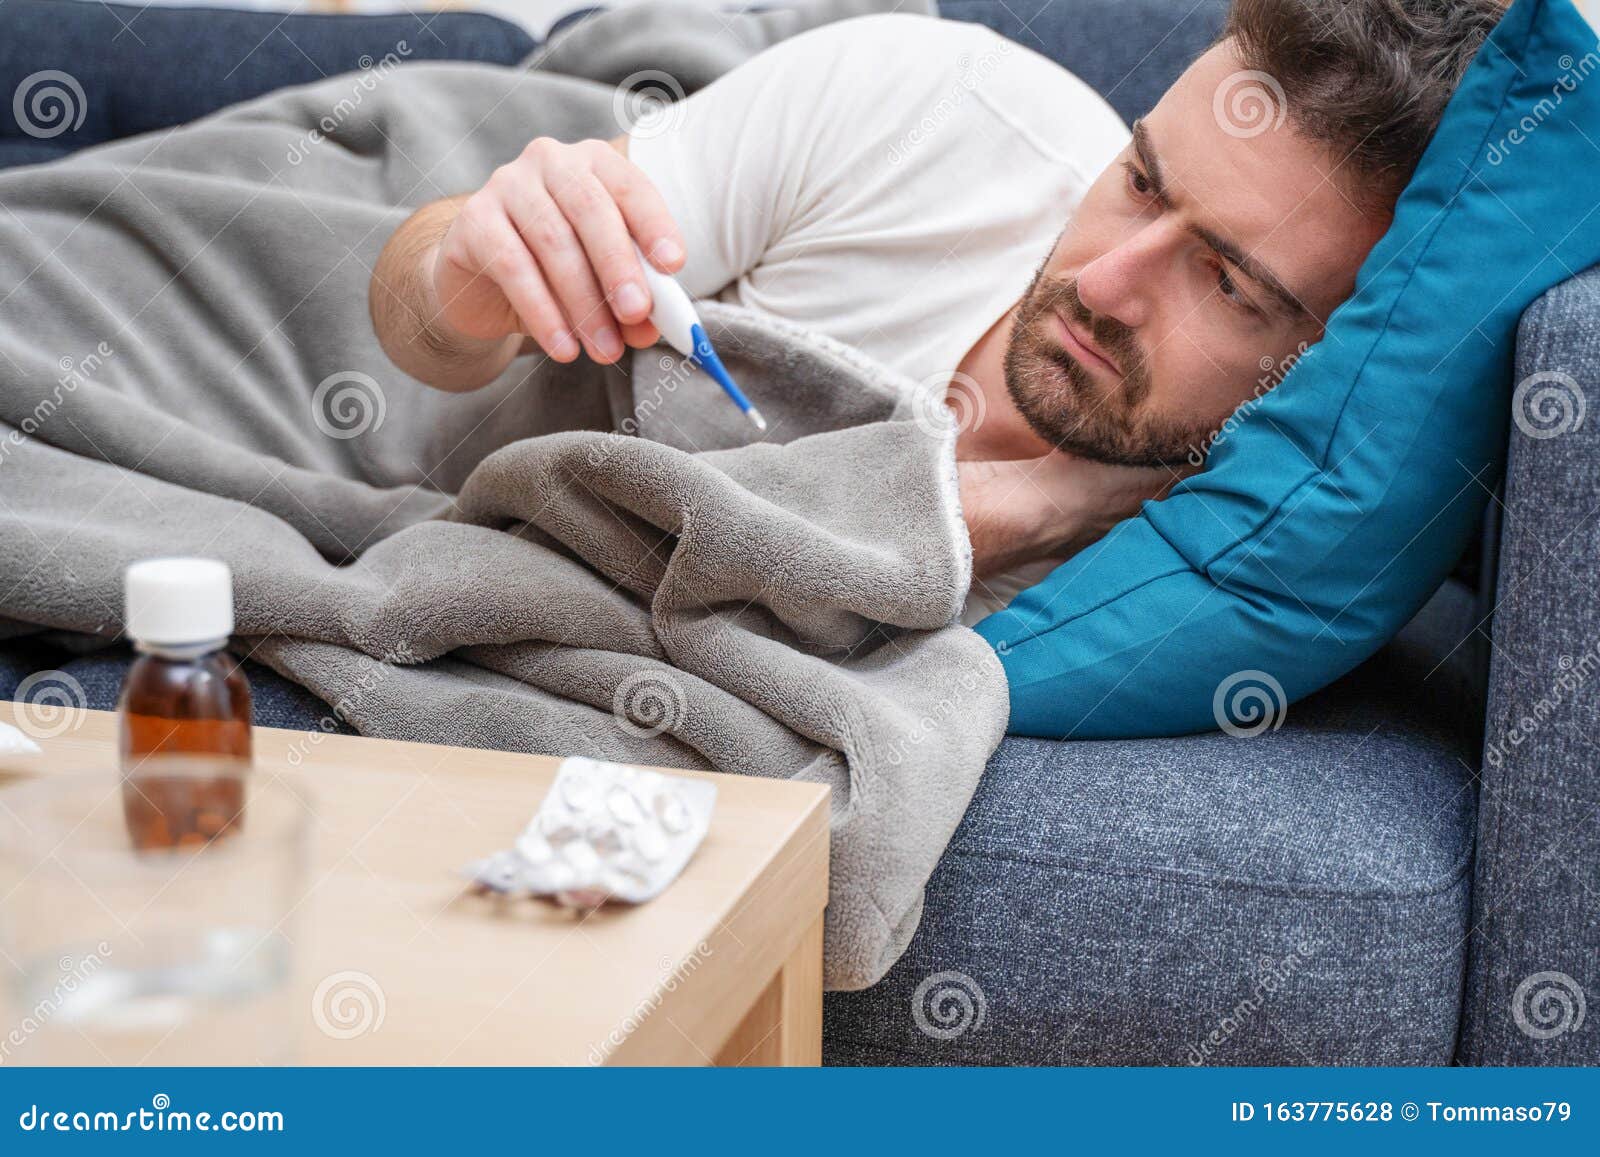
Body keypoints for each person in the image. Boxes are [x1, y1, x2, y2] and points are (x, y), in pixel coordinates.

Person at [369, 0, 1505, 621]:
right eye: (1141, 180)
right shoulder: (929, 103)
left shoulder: (1219, 569)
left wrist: (1034, 507)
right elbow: (413, 328)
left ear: (1342, 353)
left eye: (1226, 283)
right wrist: (467, 272)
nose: (1102, 284)